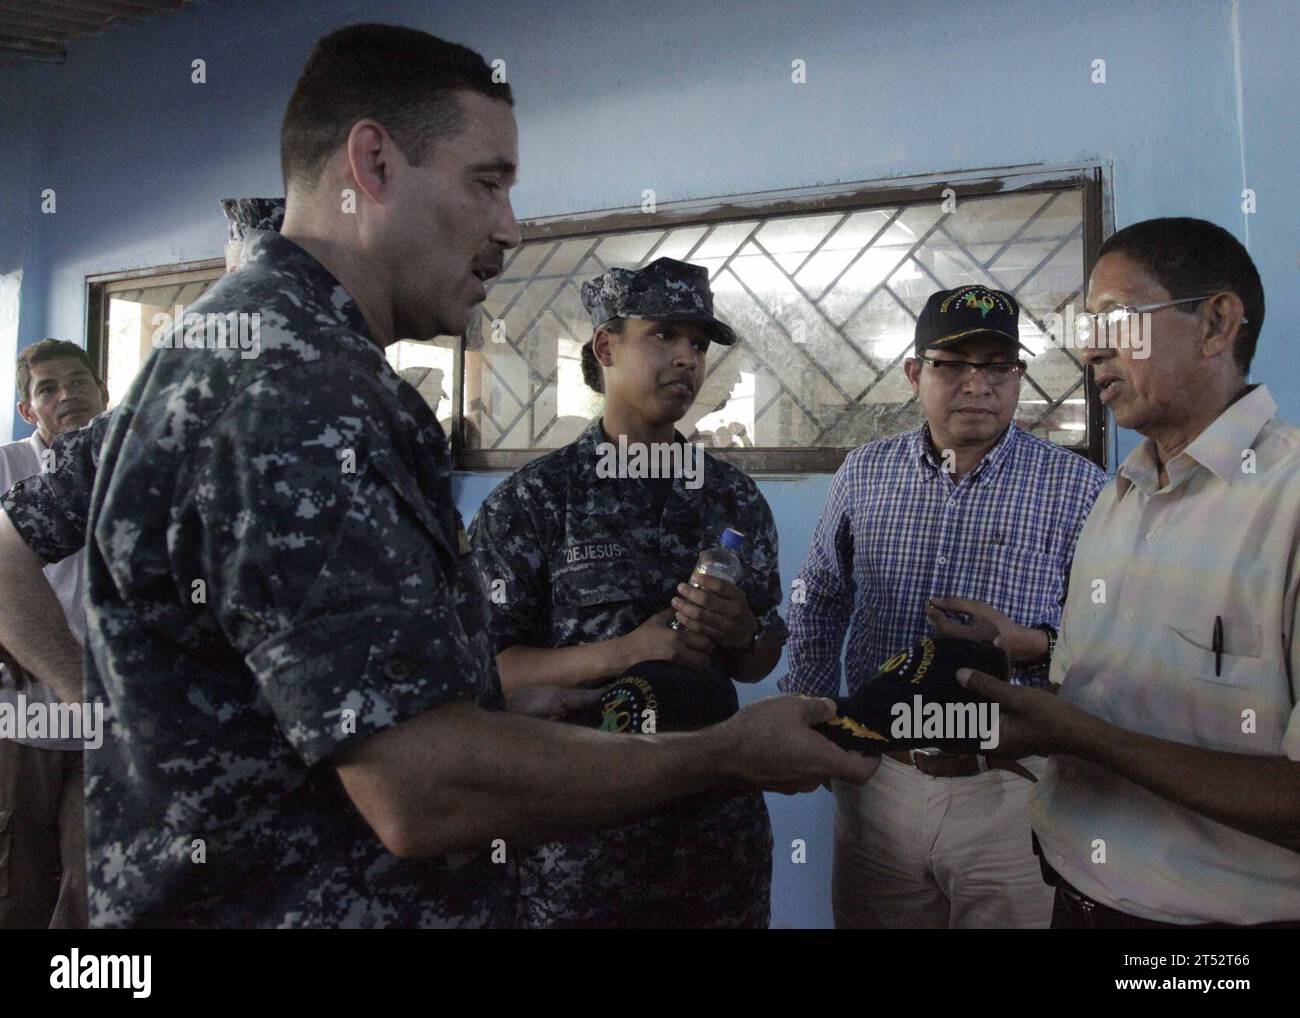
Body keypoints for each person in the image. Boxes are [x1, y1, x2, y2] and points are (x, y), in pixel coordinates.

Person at [18, 23, 872, 929]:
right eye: (488, 183)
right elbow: (421, 791)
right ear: (373, 164)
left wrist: (495, 702)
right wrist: (724, 754)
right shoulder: (303, 389)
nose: (510, 227)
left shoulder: (253, 349)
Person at [960, 218, 1300, 928]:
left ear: (1215, 323)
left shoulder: (1288, 505)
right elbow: (1098, 696)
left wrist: (1076, 736)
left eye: (1117, 319)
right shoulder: (1118, 498)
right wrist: (1019, 700)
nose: (1091, 349)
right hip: (1074, 898)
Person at [470, 258, 786, 927]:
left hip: (713, 843)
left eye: (698, 344)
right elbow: (486, 673)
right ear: (606, 347)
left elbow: (758, 658)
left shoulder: (732, 496)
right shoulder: (532, 503)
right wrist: (625, 652)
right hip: (580, 846)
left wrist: (743, 634)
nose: (685, 360)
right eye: (663, 336)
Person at [782, 284, 1106, 928]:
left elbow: (1108, 636)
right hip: (881, 778)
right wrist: (811, 719)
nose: (977, 385)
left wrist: (1032, 642)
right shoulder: (864, 473)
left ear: (1018, 377)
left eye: (997, 367)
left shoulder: (1078, 488)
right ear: (914, 373)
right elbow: (819, 600)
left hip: (1011, 784)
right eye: (952, 365)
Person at [0, 340, 106, 928]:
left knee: (95, 879)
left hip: (107, 713)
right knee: (18, 878)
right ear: (27, 409)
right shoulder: (6, 466)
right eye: (48, 388)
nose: (68, 394)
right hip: (21, 716)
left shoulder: (130, 467)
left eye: (79, 380)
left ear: (103, 390)